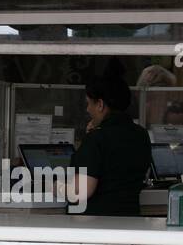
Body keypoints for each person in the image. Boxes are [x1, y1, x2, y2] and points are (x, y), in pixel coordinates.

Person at [63, 70, 152, 216]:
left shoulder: (97, 139)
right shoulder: (141, 134)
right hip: (131, 222)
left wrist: (55, 187)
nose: (87, 109)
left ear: (100, 104)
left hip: (97, 226)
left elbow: (81, 191)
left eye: (89, 103)